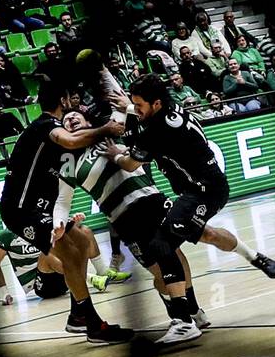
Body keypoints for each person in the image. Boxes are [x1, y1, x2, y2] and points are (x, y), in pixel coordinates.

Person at [111, 75, 275, 343]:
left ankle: (183, 320)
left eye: (140, 105)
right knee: (207, 234)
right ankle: (255, 257)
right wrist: (131, 107)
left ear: (155, 104)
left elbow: (130, 164)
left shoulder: (156, 131)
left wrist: (113, 152)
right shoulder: (170, 110)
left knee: (161, 245)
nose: (137, 109)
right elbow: (147, 117)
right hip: (205, 187)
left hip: (202, 191)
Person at [56, 110, 211, 344]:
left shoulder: (109, 134)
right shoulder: (68, 161)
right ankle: (181, 312)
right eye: (65, 119)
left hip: (150, 199)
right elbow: (62, 199)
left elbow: (129, 114)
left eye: (75, 115)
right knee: (157, 272)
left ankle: (190, 313)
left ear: (88, 120)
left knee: (174, 252)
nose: (70, 119)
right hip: (122, 217)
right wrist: (59, 221)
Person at [0, 79, 133, 344]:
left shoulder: (59, 135)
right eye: (70, 98)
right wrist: (106, 127)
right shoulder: (45, 126)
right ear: (63, 100)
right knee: (70, 254)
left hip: (42, 209)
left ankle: (77, 314)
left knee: (82, 239)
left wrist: (121, 110)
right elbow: (70, 141)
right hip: (21, 210)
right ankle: (92, 324)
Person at [0, 227, 105, 306]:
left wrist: (74, 223)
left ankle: (103, 272)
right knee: (46, 254)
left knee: (84, 231)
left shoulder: (40, 225)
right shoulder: (6, 236)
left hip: (62, 277)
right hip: (41, 286)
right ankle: (90, 278)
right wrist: (4, 292)